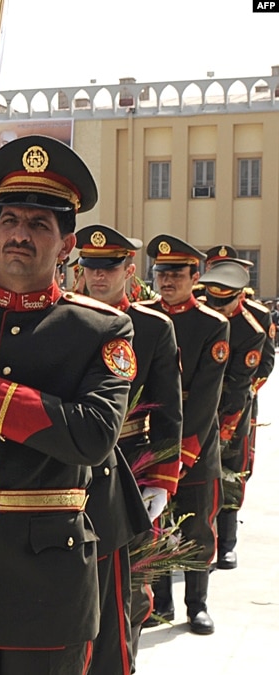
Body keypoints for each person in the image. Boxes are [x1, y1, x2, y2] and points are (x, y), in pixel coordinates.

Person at [0, 135, 134, 674]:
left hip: (48, 588)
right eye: (11, 219)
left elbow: (93, 434)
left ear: (67, 244)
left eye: (40, 224)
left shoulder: (101, 328)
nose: (21, 234)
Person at [74, 224, 182, 672]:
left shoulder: (153, 328)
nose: (99, 277)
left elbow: (170, 412)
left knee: (129, 591)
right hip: (73, 465)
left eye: (109, 267)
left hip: (130, 469)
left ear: (129, 269)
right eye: (90, 267)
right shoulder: (64, 318)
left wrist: (160, 478)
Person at [137, 234, 230, 636]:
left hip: (194, 443)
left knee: (195, 526)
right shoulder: (144, 318)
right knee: (155, 524)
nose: (167, 280)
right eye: (160, 272)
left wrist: (179, 456)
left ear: (197, 276)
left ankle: (197, 605)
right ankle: (161, 604)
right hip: (152, 437)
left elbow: (205, 400)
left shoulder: (213, 324)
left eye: (176, 272)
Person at [195, 251, 270, 574]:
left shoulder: (256, 319)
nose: (217, 307)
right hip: (199, 404)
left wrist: (235, 411)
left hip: (235, 406)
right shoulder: (199, 306)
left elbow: (261, 366)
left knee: (231, 471)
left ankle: (226, 543)